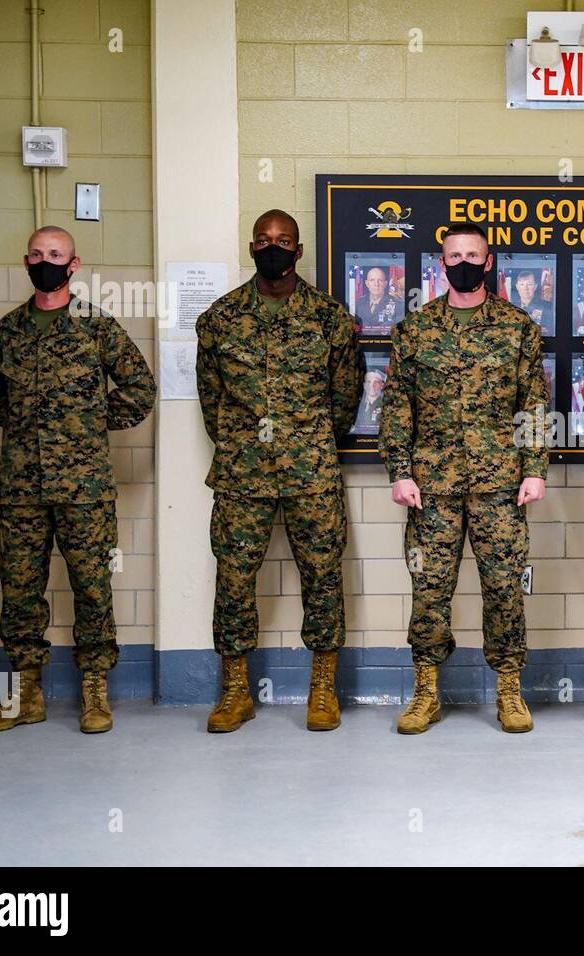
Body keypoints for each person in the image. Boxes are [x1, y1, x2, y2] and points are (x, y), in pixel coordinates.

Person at [0, 226, 155, 734]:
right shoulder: (6, 333)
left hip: (85, 487)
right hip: (21, 488)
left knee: (92, 587)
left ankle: (95, 693)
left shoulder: (96, 327)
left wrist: (91, 421)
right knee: (20, 588)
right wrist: (27, 426)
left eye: (55, 255)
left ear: (74, 266)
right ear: (25, 261)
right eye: (36, 254)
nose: (44, 261)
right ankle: (25, 694)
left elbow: (141, 388)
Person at [196, 209, 363, 733]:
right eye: (265, 240)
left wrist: (308, 443)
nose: (274, 248)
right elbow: (211, 401)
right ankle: (236, 691)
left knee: (322, 576)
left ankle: (322, 689)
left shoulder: (329, 318)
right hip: (243, 474)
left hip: (311, 471)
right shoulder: (220, 319)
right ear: (252, 249)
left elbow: (345, 400)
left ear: (298, 250)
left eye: (284, 240)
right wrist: (243, 444)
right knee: (234, 579)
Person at [379, 223, 549, 734]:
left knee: (504, 589)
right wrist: (400, 472)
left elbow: (534, 404)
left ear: (489, 260)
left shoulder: (519, 327)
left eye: (473, 254)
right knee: (429, 588)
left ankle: (509, 691)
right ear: (442, 263)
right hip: (431, 487)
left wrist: (535, 469)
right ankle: (426, 692)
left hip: (500, 483)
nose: (464, 262)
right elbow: (397, 409)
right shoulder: (414, 330)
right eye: (454, 255)